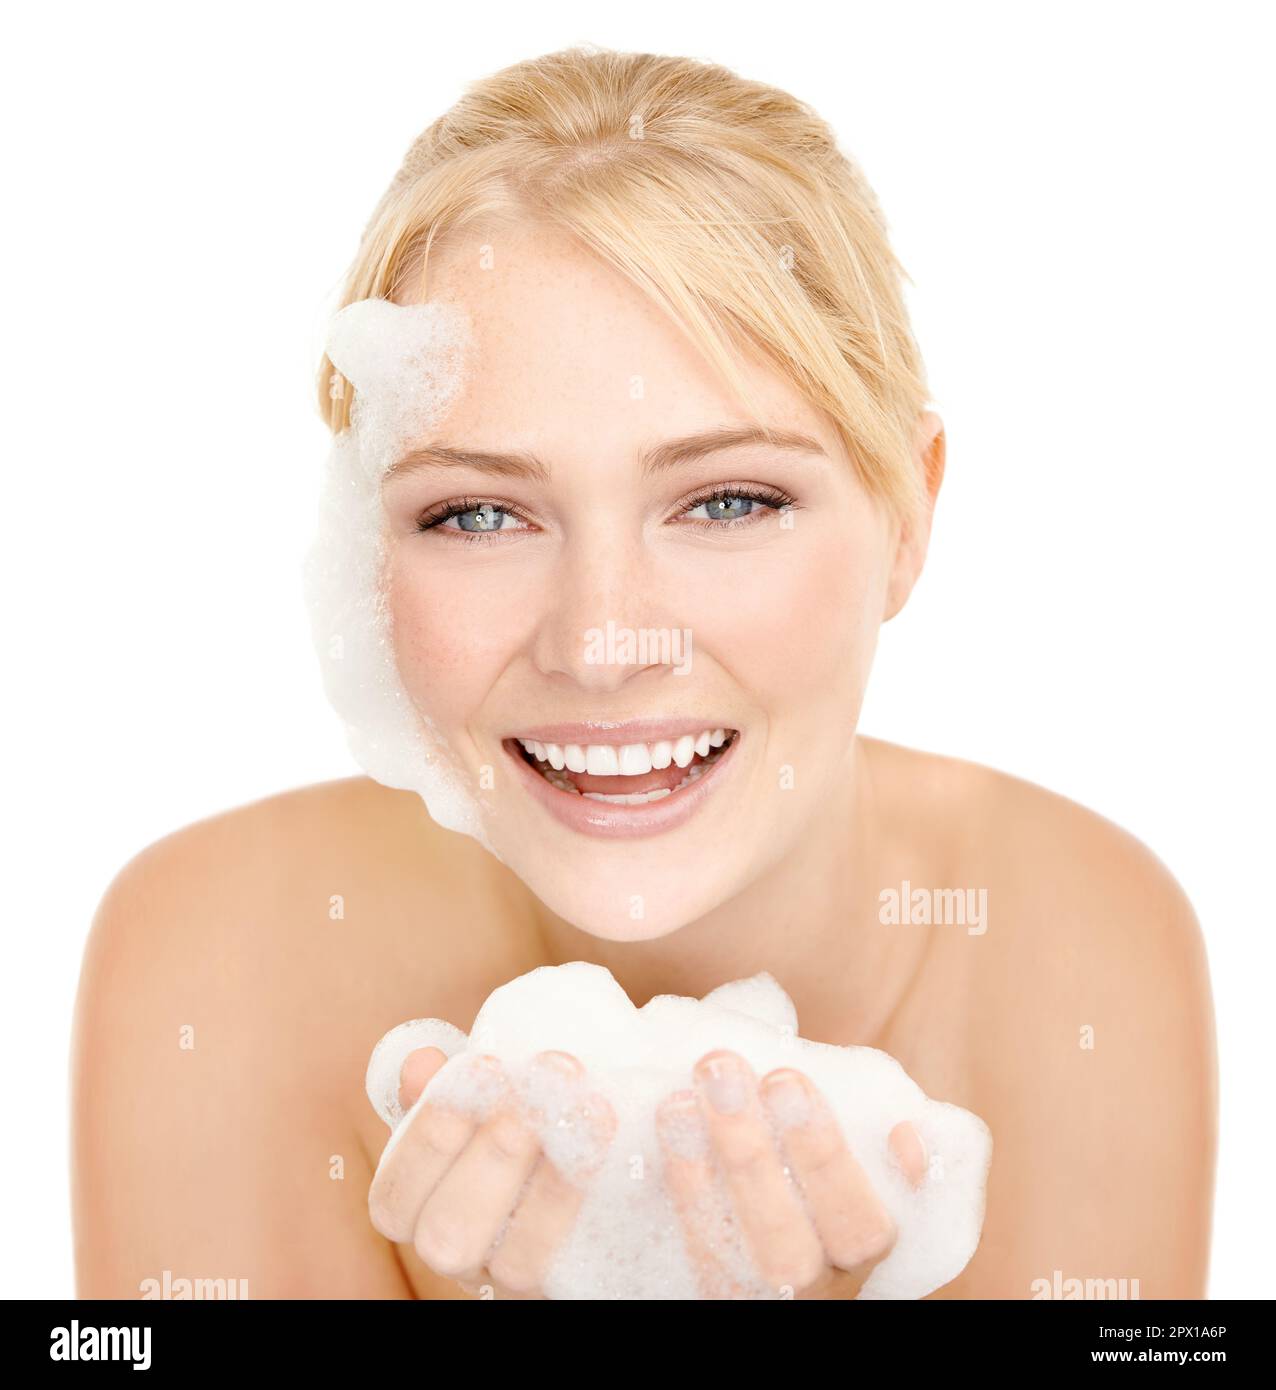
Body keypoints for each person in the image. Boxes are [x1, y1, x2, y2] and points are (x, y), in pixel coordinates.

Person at [71, 46, 1217, 1300]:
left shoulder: (1076, 952)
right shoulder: (219, 962)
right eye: (478, 514)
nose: (601, 645)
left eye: (727, 500)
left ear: (908, 518)